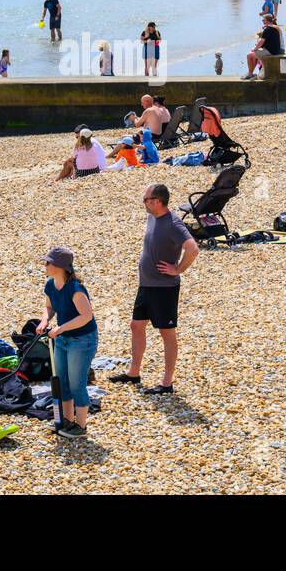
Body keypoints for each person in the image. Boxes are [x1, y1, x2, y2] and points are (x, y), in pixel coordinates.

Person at [108, 183, 199, 395]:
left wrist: (177, 269)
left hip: (164, 288)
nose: (143, 203)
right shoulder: (152, 218)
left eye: (146, 199)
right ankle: (134, 372)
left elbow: (192, 249)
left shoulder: (173, 223)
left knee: (166, 332)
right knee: (136, 325)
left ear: (157, 201)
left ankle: (167, 383)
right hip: (146, 285)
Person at [38, 247, 99, 439]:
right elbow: (49, 307)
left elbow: (86, 316)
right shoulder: (50, 285)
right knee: (61, 381)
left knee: (76, 383)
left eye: (48, 262)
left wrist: (60, 329)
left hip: (82, 340)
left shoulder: (75, 289)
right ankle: (66, 421)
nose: (45, 266)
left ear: (59, 266)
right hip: (63, 338)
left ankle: (80, 426)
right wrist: (45, 321)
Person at [244, 14, 283, 80]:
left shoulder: (267, 29)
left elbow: (261, 41)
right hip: (275, 50)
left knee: (249, 55)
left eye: (263, 20)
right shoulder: (275, 28)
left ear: (267, 21)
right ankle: (251, 73)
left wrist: (255, 49)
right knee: (254, 54)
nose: (262, 21)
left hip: (271, 52)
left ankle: (250, 73)